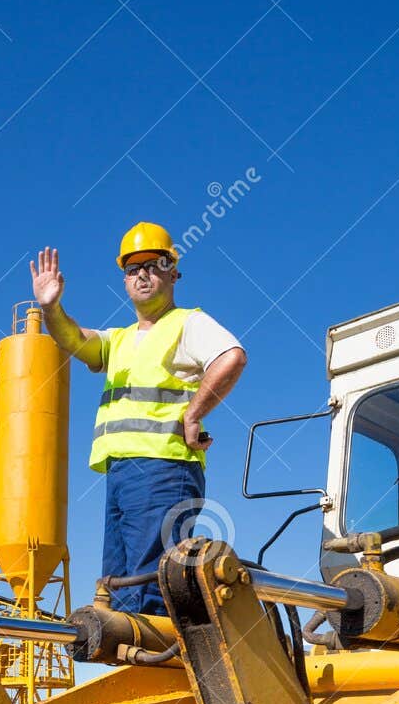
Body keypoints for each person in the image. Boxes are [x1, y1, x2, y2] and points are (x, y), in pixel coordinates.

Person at [30, 223, 246, 614]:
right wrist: (50, 307)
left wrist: (194, 414)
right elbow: (73, 339)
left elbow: (231, 356)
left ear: (173, 272)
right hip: (122, 474)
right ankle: (136, 665)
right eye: (132, 268)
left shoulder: (188, 323)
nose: (142, 274)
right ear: (125, 280)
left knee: (152, 584)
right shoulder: (120, 339)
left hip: (164, 469)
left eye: (154, 263)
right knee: (118, 586)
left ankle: (162, 669)